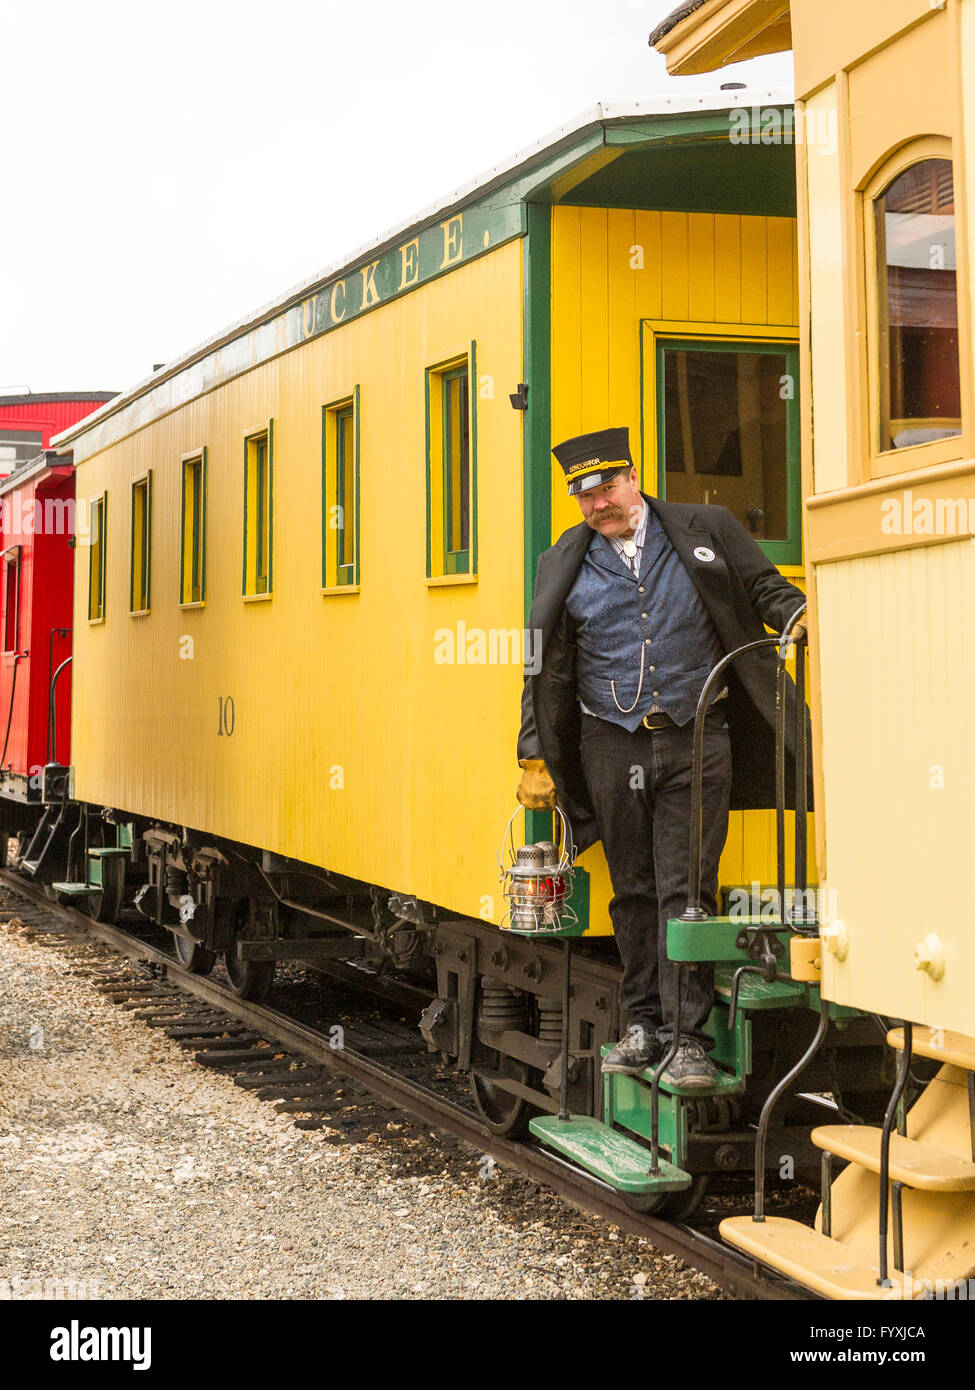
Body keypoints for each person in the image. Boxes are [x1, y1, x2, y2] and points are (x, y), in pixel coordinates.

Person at [516, 426, 807, 1089]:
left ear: (633, 476)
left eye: (606, 487)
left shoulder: (705, 526)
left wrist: (796, 616)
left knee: (686, 890)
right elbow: (537, 664)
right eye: (582, 495)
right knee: (633, 890)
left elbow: (763, 588)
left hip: (696, 734)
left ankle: (687, 1041)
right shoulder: (561, 558)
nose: (598, 505)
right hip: (607, 741)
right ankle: (642, 1026)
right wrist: (533, 752)